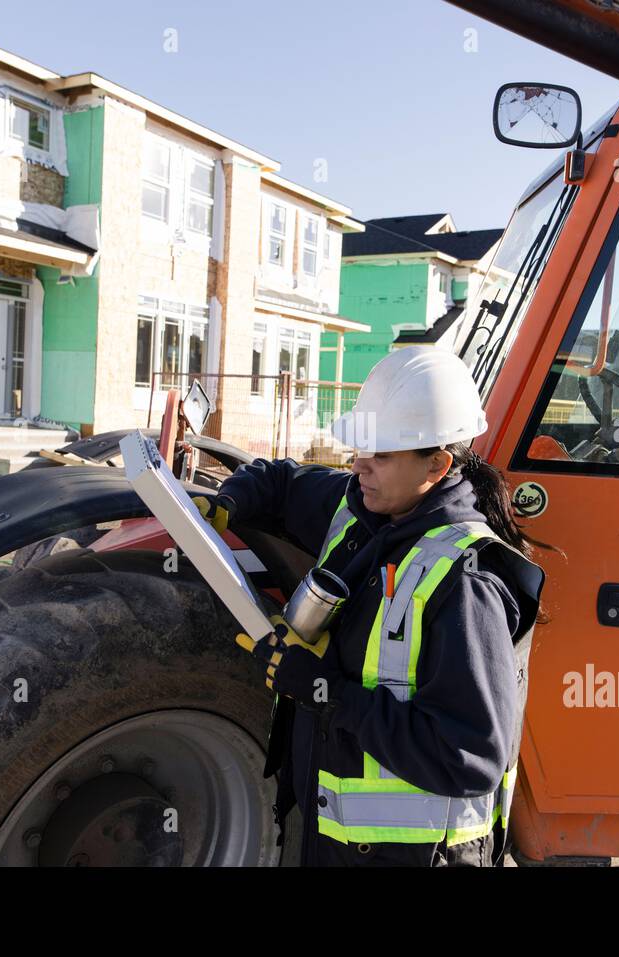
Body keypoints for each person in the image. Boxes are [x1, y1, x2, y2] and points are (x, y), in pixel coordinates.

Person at [195, 346, 544, 867]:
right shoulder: (361, 506)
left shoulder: (465, 582)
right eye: (360, 447)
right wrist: (227, 503)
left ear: (438, 464)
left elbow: (469, 756)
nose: (359, 464)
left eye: (380, 454)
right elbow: (279, 480)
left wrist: (325, 691)